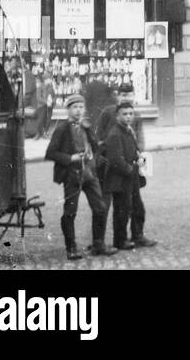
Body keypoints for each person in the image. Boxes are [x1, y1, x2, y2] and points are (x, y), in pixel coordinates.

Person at [45, 94, 113, 259]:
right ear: (68, 110)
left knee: (100, 208)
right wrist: (70, 158)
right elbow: (50, 153)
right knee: (70, 212)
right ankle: (71, 248)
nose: (78, 110)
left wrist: (93, 159)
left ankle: (98, 244)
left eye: (81, 107)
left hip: (89, 174)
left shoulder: (87, 126)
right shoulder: (61, 129)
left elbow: (96, 147)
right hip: (72, 175)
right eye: (75, 107)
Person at [101, 100, 156, 251]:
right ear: (117, 116)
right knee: (122, 210)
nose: (128, 117)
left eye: (131, 114)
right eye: (124, 114)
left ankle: (138, 236)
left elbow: (134, 149)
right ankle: (120, 240)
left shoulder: (128, 130)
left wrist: (138, 161)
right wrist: (130, 169)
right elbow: (115, 159)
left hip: (132, 176)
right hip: (121, 178)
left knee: (138, 207)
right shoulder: (115, 134)